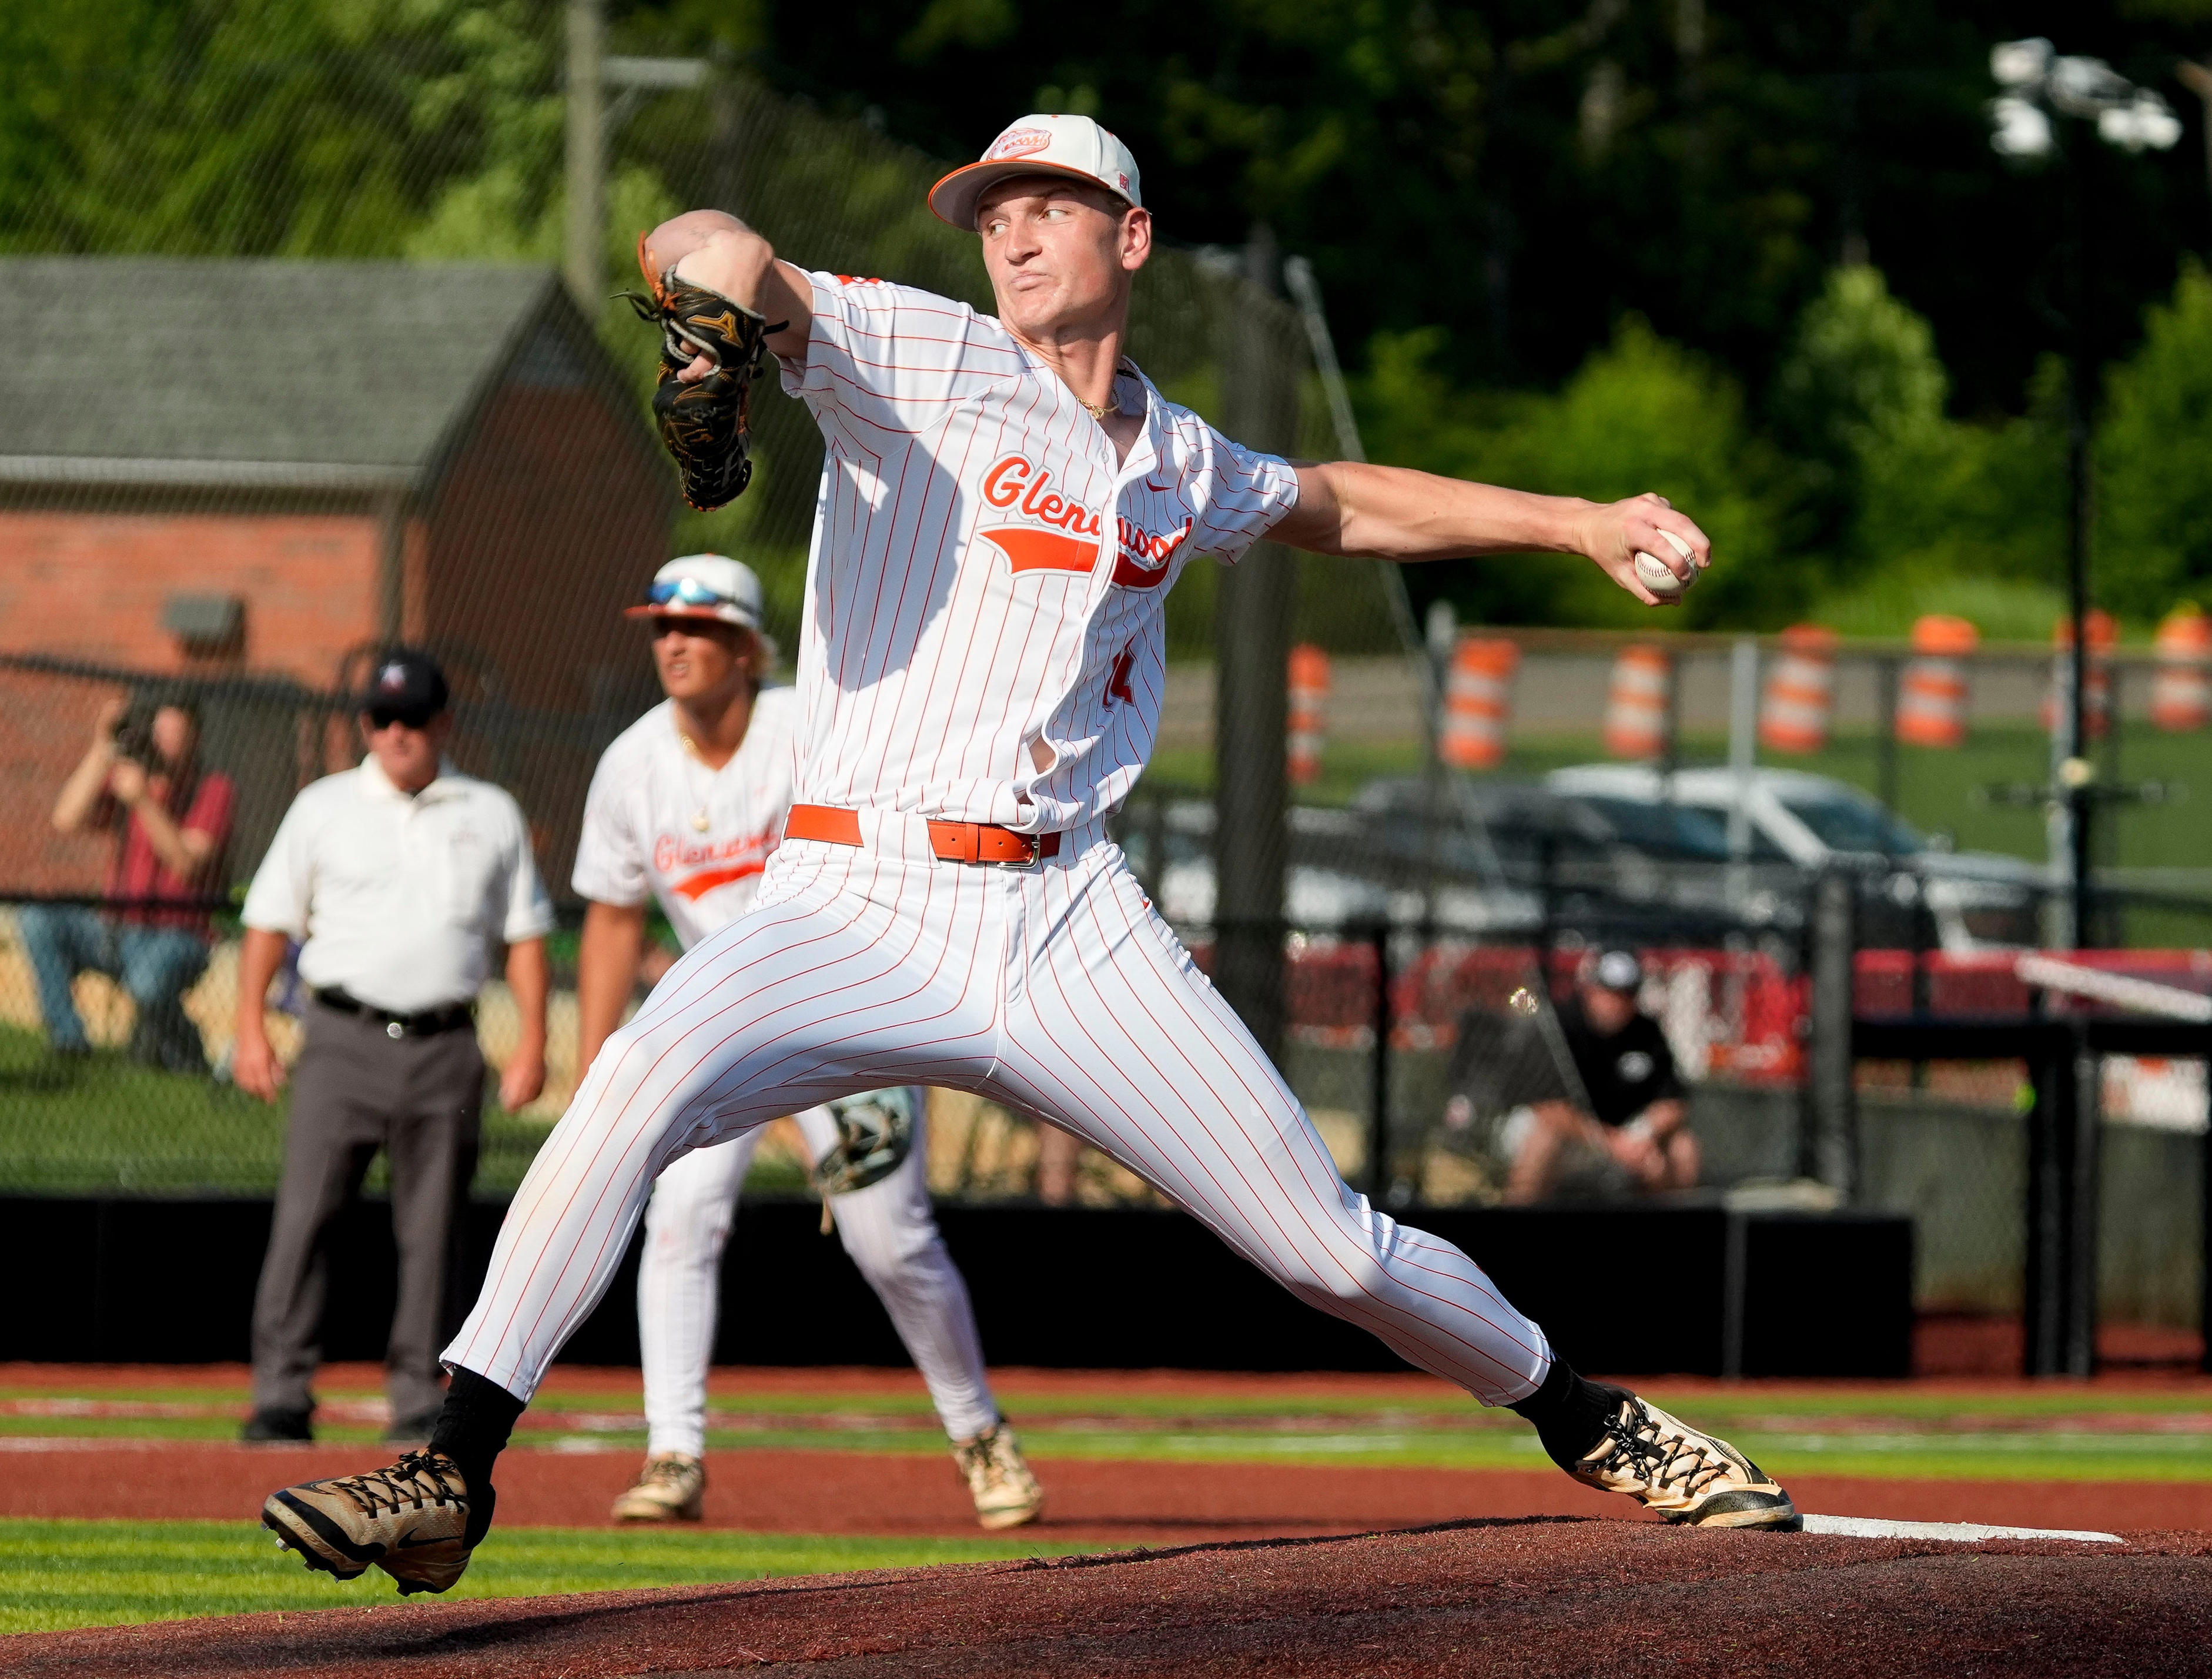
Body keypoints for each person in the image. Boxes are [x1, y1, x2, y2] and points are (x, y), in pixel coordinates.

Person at [261, 113, 1793, 1596]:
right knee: (641, 1078)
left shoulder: (1174, 460)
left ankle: (1593, 1419)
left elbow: (1337, 502)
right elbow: (705, 241)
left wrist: (1575, 518)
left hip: (1068, 917)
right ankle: (453, 1466)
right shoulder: (908, 353)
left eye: (1046, 200)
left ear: (1130, 237)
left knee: (1329, 1251)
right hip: (856, 894)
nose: (1010, 228)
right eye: (991, 208)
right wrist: (707, 329)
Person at [577, 553, 1040, 1530]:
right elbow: (615, 916)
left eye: (697, 628)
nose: (674, 643)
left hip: (846, 1003)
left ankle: (979, 1434)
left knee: (890, 1242)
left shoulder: (810, 733)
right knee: (681, 1214)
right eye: (662, 625)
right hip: (717, 1025)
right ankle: (673, 1452)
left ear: (747, 649)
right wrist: (594, 1063)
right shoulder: (632, 762)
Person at [232, 650, 554, 1445]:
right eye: (382, 719)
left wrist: (532, 1043)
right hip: (339, 1038)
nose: (397, 733)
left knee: (434, 1229)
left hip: (446, 1042)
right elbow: (269, 921)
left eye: (414, 718)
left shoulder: (490, 810)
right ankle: (281, 1391)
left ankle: (418, 1391)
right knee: (305, 1217)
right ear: (365, 727)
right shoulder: (323, 807)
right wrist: (248, 1029)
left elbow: (524, 936)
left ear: (444, 722)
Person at [22, 694, 234, 1072]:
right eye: (160, 733)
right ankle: (70, 1042)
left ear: (195, 739)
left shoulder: (213, 789)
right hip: (115, 929)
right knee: (40, 920)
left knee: (146, 983)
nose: (165, 743)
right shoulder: (130, 779)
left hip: (180, 936)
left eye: (176, 735)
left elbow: (185, 863)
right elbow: (65, 819)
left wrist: (143, 802)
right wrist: (103, 748)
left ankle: (189, 1054)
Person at [1504, 950, 1700, 1205]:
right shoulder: (1559, 1026)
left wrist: (1642, 1136)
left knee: (1682, 1148)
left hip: (1626, 1135)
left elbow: (1673, 1102)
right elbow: (1548, 1108)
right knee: (1543, 1140)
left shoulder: (1647, 1032)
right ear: (1590, 990)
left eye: (1627, 993)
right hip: (1571, 1134)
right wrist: (1612, 1143)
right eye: (1609, 992)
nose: (1618, 1002)